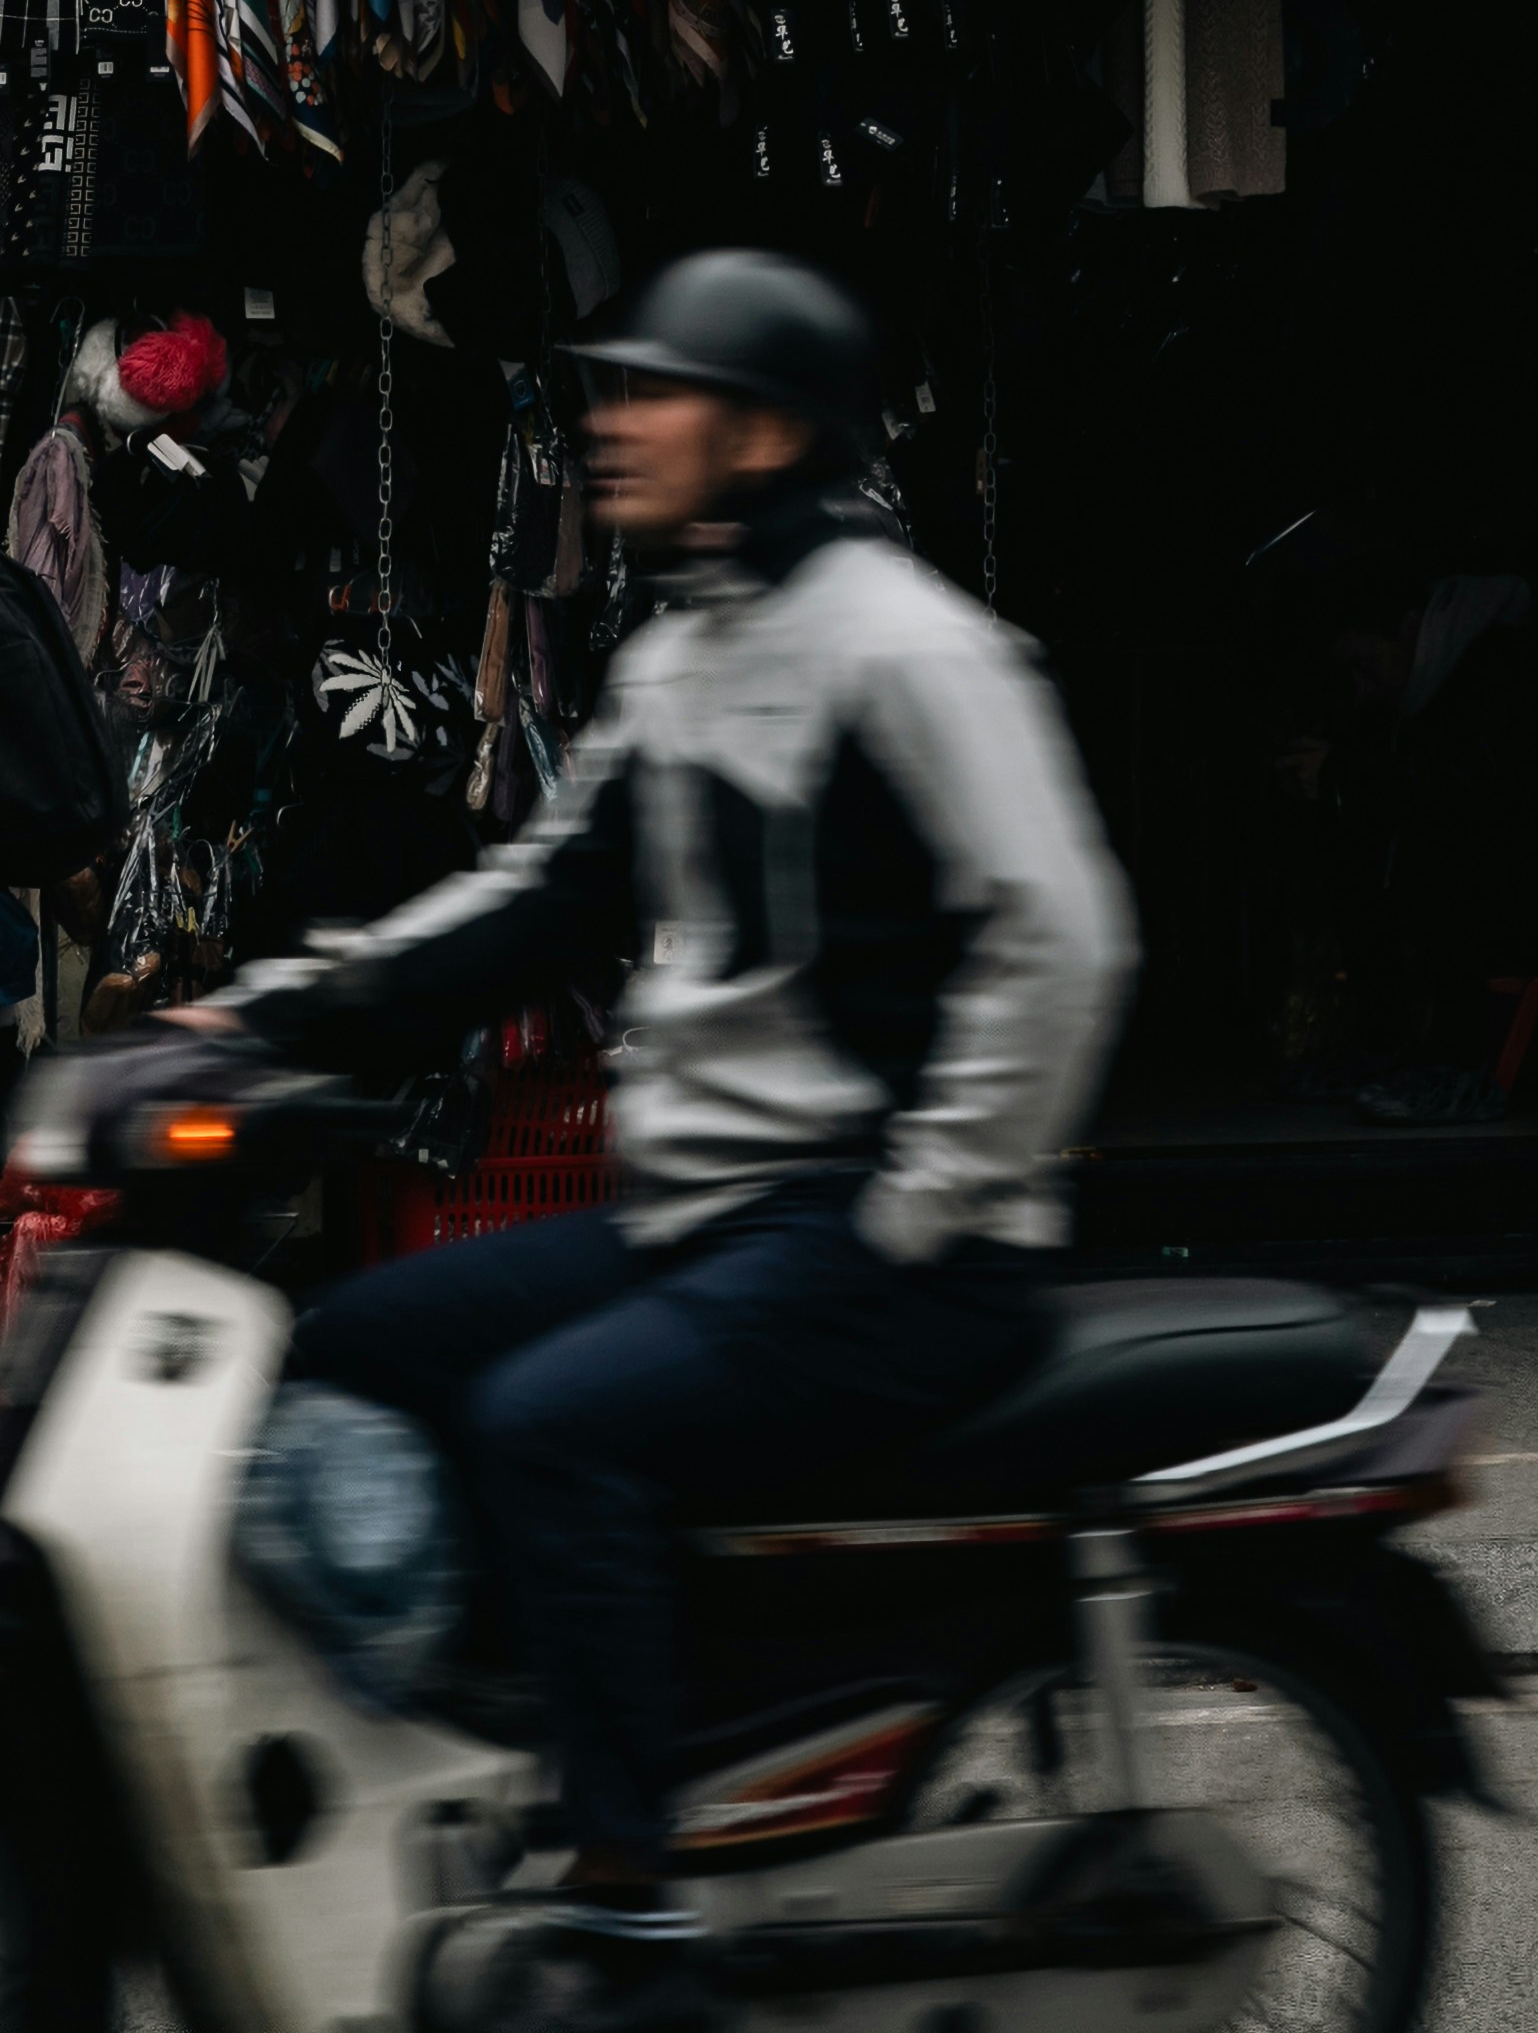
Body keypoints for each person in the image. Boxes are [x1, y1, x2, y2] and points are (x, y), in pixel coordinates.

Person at [217, 252, 1133, 2010]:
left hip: (886, 1240)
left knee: (551, 1423)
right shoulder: (688, 650)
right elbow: (537, 900)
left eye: (655, 394)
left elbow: (1065, 934)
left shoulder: (911, 647)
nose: (610, 426)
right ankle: (534, 1741)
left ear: (770, 429)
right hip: (714, 1221)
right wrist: (272, 1020)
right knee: (352, 1344)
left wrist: (930, 1195)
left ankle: (631, 1890)